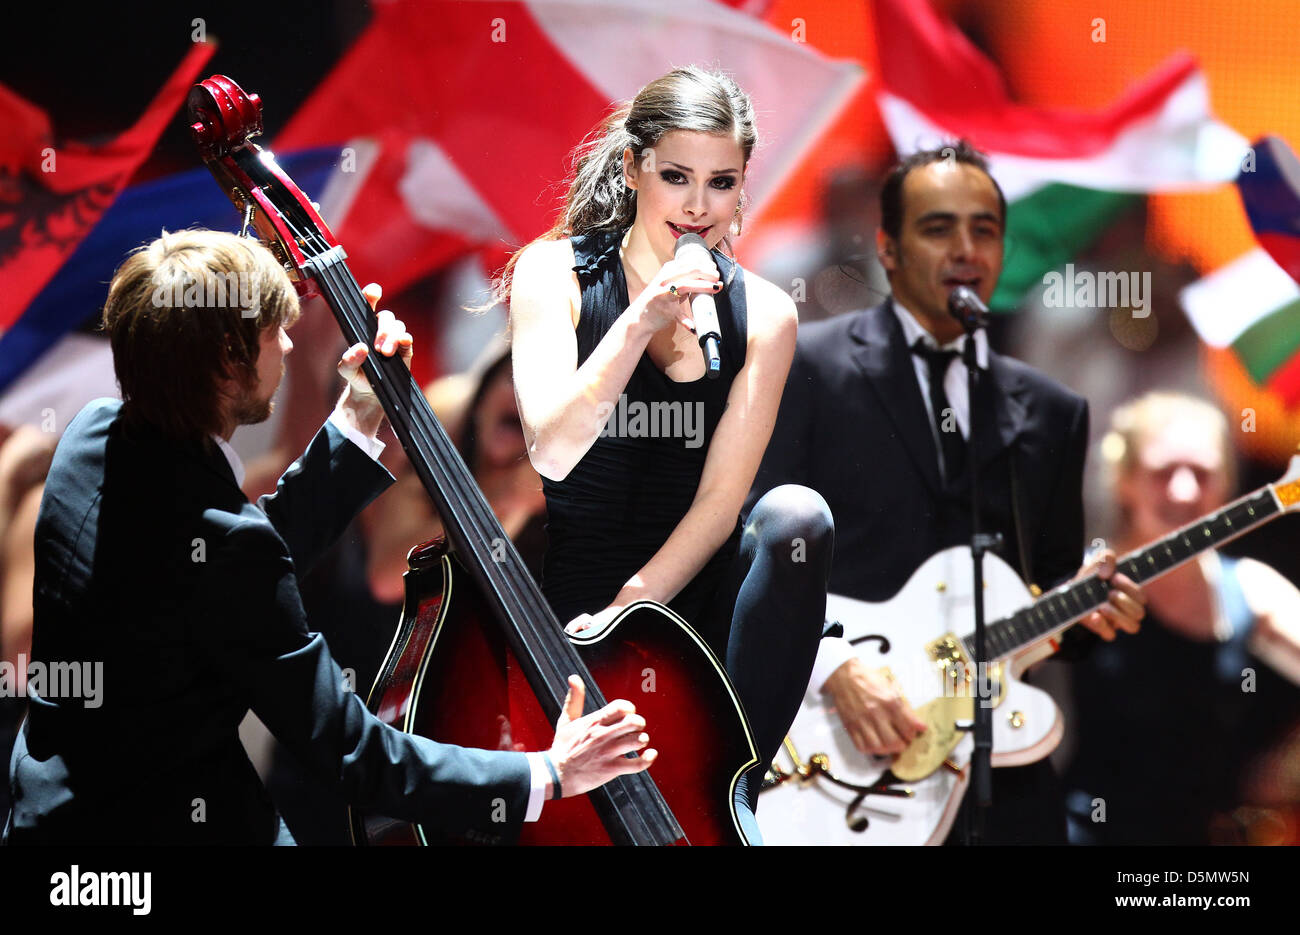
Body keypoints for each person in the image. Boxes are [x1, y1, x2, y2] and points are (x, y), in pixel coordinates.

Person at [4, 229, 654, 845]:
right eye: (271, 334)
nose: (286, 348)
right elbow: (351, 749)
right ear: (228, 364)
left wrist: (357, 415)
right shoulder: (230, 552)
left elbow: (220, 571)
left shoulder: (94, 437)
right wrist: (548, 772)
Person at [749, 141, 1146, 844]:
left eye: (984, 229)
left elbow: (1048, 595)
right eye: (938, 228)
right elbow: (749, 545)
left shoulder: (1052, 410)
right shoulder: (809, 366)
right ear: (888, 248)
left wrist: (1089, 611)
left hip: (998, 779)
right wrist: (833, 664)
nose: (965, 248)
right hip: (830, 758)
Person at [506, 66, 835, 844]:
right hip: (575, 608)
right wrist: (640, 317)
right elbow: (552, 450)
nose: (697, 207)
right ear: (632, 168)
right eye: (676, 177)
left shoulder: (765, 313)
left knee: (799, 515)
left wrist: (635, 611)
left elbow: (722, 505)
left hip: (687, 599)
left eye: (721, 183)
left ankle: (731, 790)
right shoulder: (552, 273)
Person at [1064, 391, 1300, 844]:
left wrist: (1284, 763)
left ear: (1228, 483)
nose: (1185, 491)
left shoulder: (1249, 588)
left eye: (1202, 472)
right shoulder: (1079, 586)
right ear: (1123, 480)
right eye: (1163, 472)